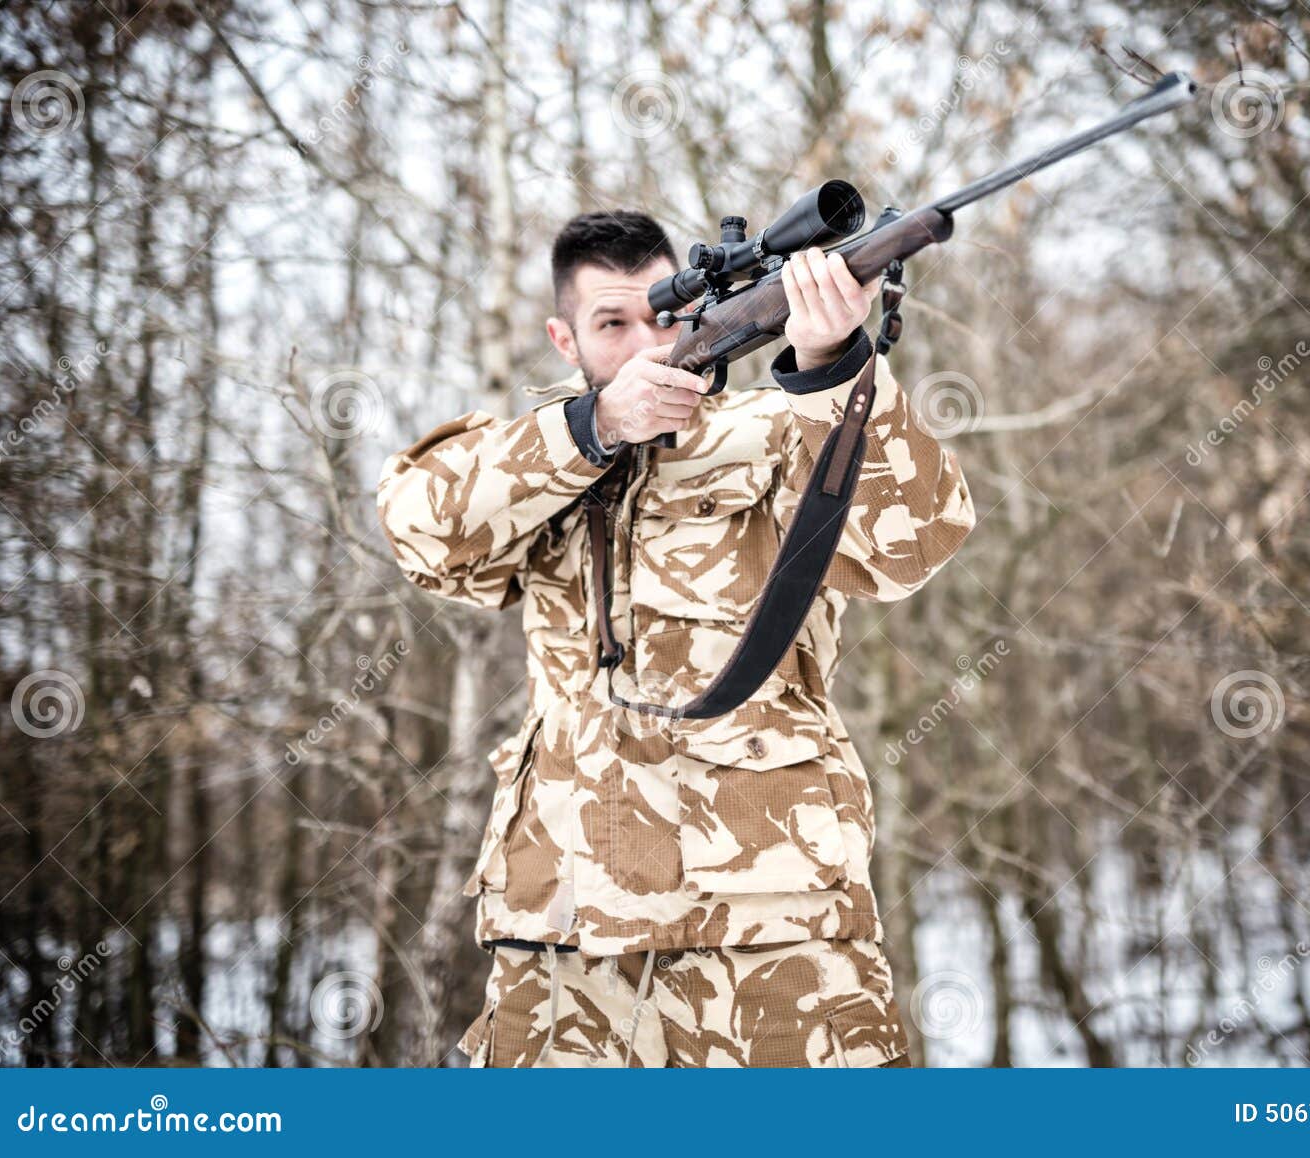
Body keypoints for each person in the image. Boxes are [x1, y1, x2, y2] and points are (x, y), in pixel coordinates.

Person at [376, 209, 974, 1066]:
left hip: (772, 924)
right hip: (564, 935)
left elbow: (913, 545)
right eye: (610, 324)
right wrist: (595, 429)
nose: (644, 341)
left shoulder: (778, 430)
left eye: (662, 313)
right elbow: (418, 529)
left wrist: (835, 367)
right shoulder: (541, 456)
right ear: (563, 337)